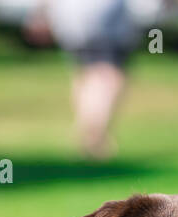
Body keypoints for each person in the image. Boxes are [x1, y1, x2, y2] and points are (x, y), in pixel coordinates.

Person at [26, 0, 136, 159]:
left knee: (85, 73)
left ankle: (86, 126)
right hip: (105, 16)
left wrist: (38, 14)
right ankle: (95, 131)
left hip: (69, 17)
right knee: (110, 75)